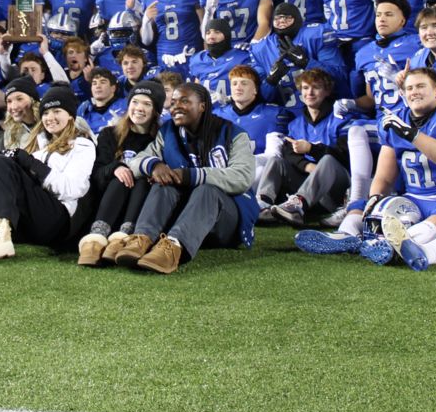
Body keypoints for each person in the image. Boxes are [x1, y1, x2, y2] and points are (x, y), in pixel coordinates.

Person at [301, 68, 436, 271]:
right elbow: (385, 176)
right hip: (414, 196)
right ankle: (346, 235)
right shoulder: (397, 117)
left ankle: (401, 245)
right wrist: (375, 197)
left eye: (421, 86)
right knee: (368, 203)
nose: (414, 92)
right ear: (402, 94)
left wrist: (412, 135)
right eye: (409, 88)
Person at [112, 82, 257, 274]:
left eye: (185, 101)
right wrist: (154, 165)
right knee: (163, 182)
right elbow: (136, 161)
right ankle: (142, 238)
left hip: (225, 220)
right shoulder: (168, 132)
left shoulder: (233, 133)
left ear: (203, 105)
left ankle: (172, 248)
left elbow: (243, 176)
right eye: (173, 102)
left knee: (207, 189)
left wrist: (192, 175)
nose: (176, 106)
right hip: (184, 217)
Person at [0, 84, 95, 261]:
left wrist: (32, 165)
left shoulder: (82, 145)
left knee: (0, 162)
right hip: (32, 217)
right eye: (45, 113)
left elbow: (73, 189)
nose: (50, 117)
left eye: (57, 111)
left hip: (57, 220)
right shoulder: (41, 147)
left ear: (71, 116)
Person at [258, 68, 373, 228]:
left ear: (327, 91)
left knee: (328, 160)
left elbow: (344, 155)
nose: (310, 93)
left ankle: (297, 206)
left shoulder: (341, 118)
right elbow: (288, 153)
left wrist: (312, 149)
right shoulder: (296, 123)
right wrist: (308, 165)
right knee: (276, 161)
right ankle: (262, 205)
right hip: (308, 183)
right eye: (305, 88)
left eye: (316, 87)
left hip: (336, 188)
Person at [77, 80, 165, 265]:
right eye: (135, 102)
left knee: (141, 179)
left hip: (140, 207)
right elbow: (96, 173)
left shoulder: (161, 139)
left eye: (147, 104)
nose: (139, 108)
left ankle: (124, 238)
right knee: (121, 176)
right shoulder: (110, 134)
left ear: (156, 110)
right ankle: (96, 239)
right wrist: (115, 168)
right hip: (109, 203)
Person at [213, 65, 291, 210]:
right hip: (224, 172)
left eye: (244, 83)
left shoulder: (271, 113)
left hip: (255, 173)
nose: (238, 87)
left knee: (262, 169)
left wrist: (245, 162)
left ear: (255, 89)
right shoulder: (218, 115)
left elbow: (274, 156)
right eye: (234, 83)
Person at [138, 0, 203, 76]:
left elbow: (205, 30)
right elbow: (146, 40)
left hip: (191, 55)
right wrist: (146, 20)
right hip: (164, 57)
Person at [187, 18, 251, 106]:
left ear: (226, 35)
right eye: (208, 33)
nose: (211, 37)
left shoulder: (241, 57)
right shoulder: (198, 59)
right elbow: (196, 88)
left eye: (217, 32)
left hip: (233, 110)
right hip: (206, 113)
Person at [77, 67, 127, 134]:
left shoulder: (126, 106)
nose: (98, 86)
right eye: (94, 83)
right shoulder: (84, 111)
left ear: (113, 88)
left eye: (103, 82)